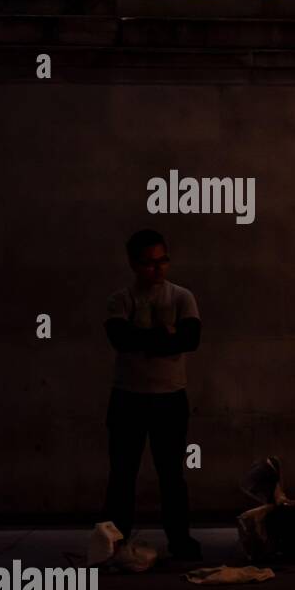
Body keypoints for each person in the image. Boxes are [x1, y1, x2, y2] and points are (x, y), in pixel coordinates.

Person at [101, 229, 203, 561]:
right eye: (149, 264)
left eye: (162, 261)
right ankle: (114, 542)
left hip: (169, 398)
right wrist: (164, 335)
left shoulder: (182, 297)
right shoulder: (120, 300)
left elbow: (190, 339)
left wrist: (145, 338)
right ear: (133, 264)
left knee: (172, 474)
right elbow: (121, 339)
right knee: (122, 474)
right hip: (129, 397)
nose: (158, 270)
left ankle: (179, 540)